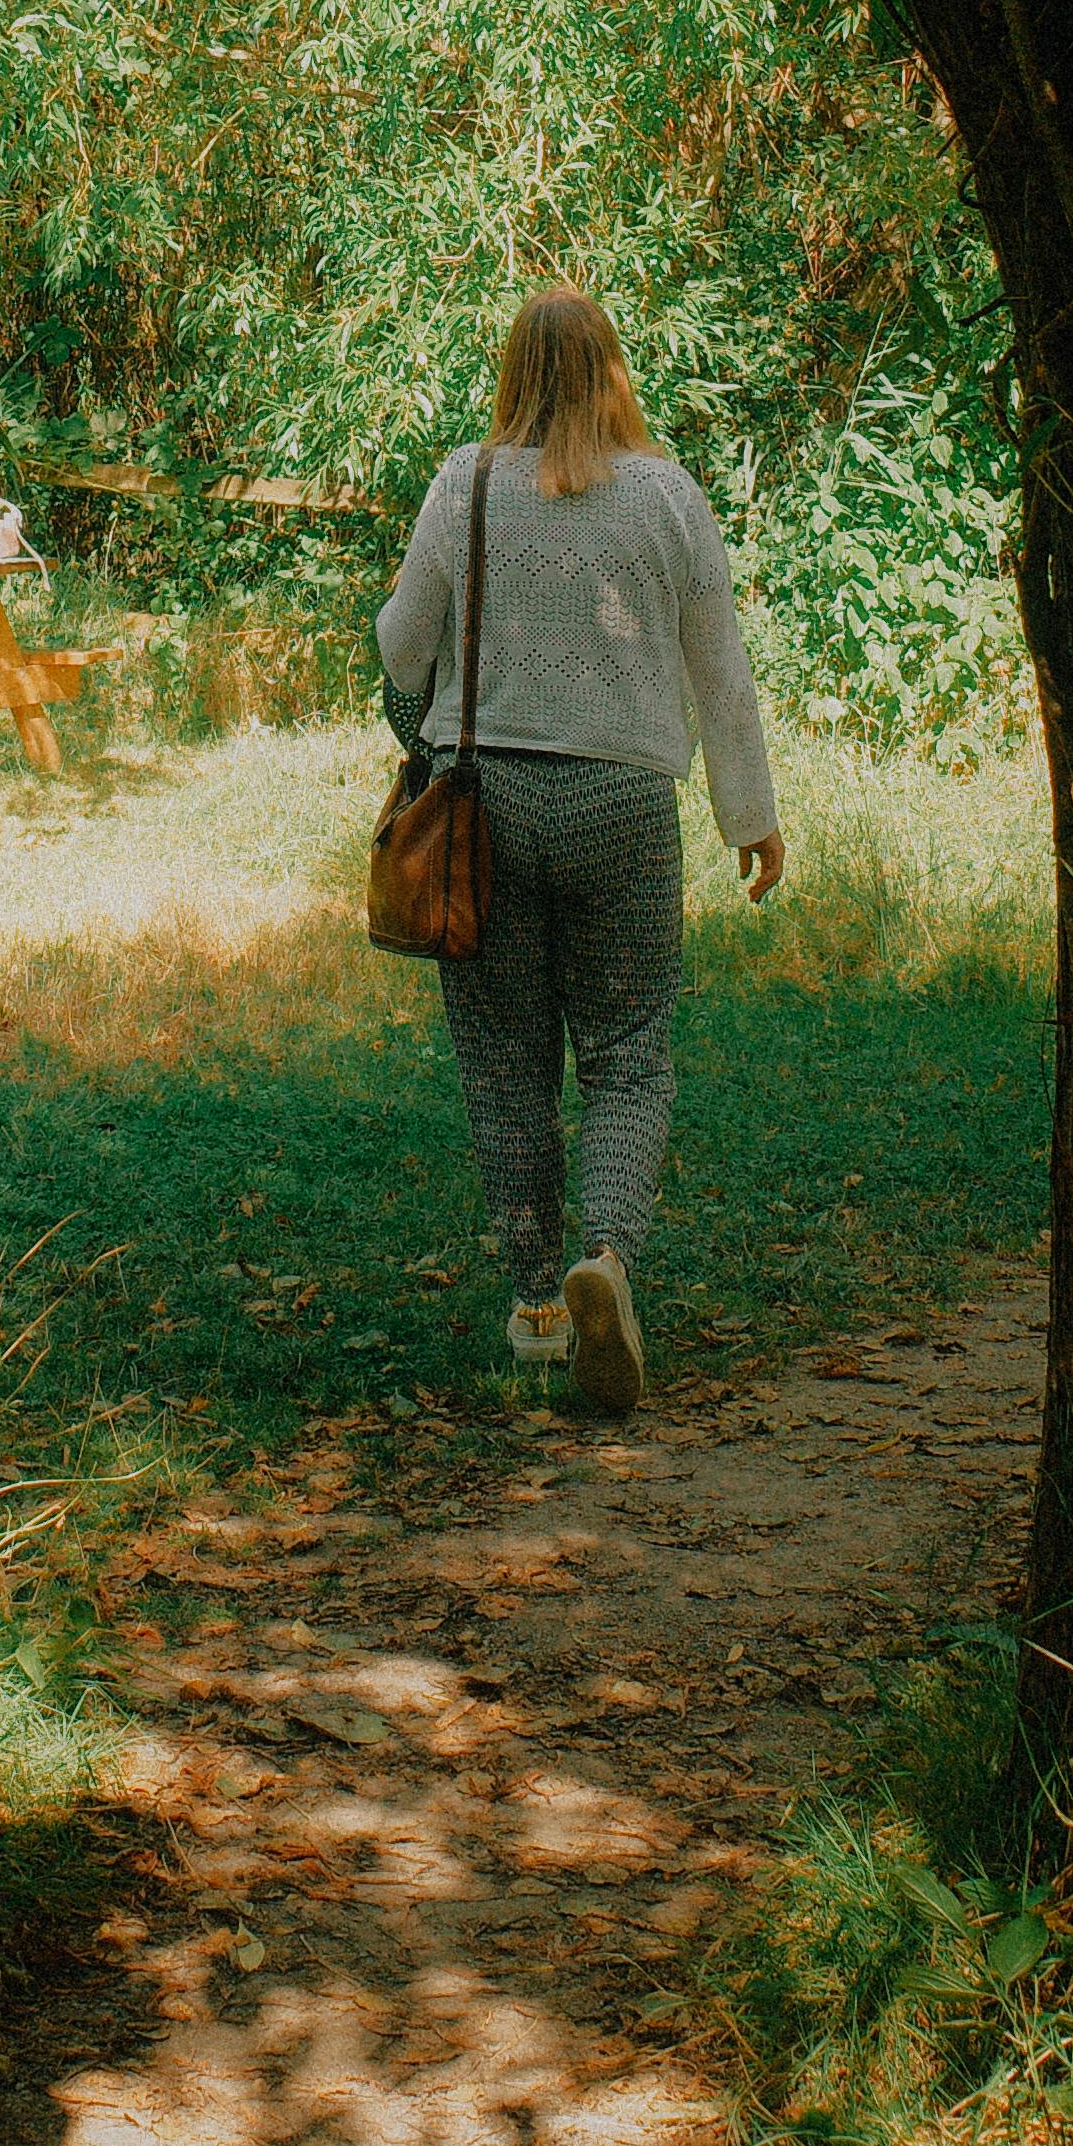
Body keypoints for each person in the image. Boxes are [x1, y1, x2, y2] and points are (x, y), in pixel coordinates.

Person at [375, 285, 782, 1420]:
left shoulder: (464, 484)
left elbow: (404, 649)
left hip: (485, 807)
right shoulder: (667, 496)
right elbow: (721, 671)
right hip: (623, 803)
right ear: (612, 371)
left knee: (506, 1065)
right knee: (627, 1051)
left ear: (511, 373)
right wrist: (748, 815)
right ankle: (604, 1259)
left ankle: (537, 1314)